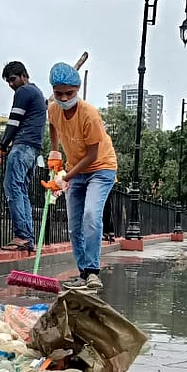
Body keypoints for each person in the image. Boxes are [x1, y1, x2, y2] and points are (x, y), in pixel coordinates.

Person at [41, 61, 118, 291]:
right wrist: (55, 152)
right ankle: (83, 273)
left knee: (91, 216)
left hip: (100, 168)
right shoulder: (53, 108)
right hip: (76, 169)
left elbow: (93, 155)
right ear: (53, 91)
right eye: (59, 93)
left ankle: (93, 272)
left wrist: (65, 178)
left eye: (69, 93)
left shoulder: (90, 115)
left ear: (77, 90)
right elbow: (53, 126)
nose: (64, 98)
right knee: (74, 226)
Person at [0, 61, 47, 252]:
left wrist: (2, 146)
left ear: (24, 75)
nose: (11, 84)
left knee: (13, 187)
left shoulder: (24, 92)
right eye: (8, 81)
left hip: (23, 147)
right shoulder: (37, 94)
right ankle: (27, 238)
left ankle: (22, 236)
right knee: (21, 190)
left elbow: (13, 122)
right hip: (32, 150)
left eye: (13, 79)